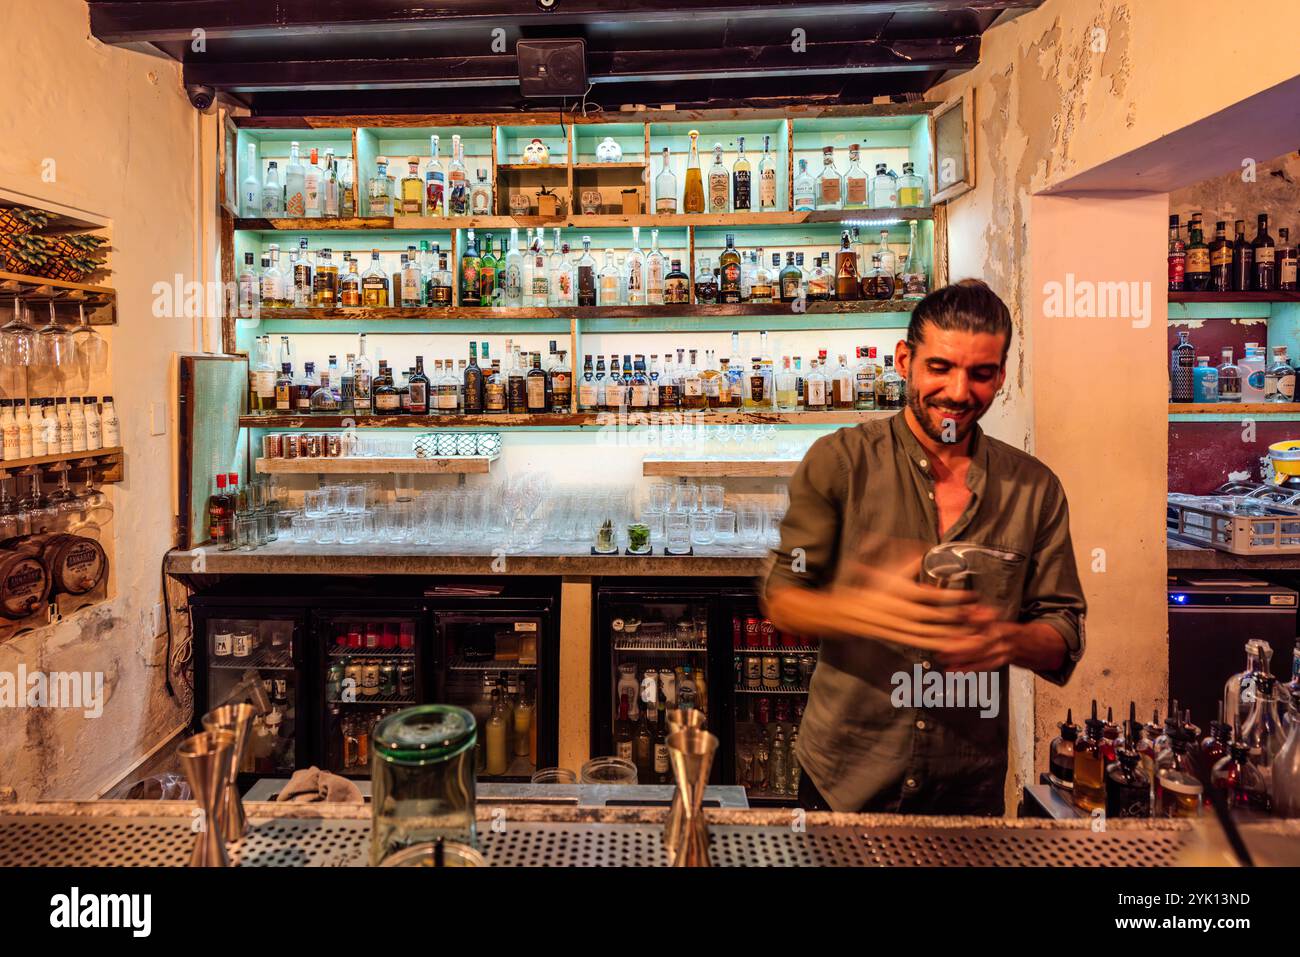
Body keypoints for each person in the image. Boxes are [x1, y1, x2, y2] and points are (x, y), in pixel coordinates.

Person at [763, 279, 1085, 815]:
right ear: (904, 361)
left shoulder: (1035, 489)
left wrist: (1006, 639)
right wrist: (861, 609)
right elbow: (783, 595)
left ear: (1001, 375)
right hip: (845, 779)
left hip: (966, 789)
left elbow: (1064, 628)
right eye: (940, 367)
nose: (959, 392)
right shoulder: (838, 463)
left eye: (981, 373)